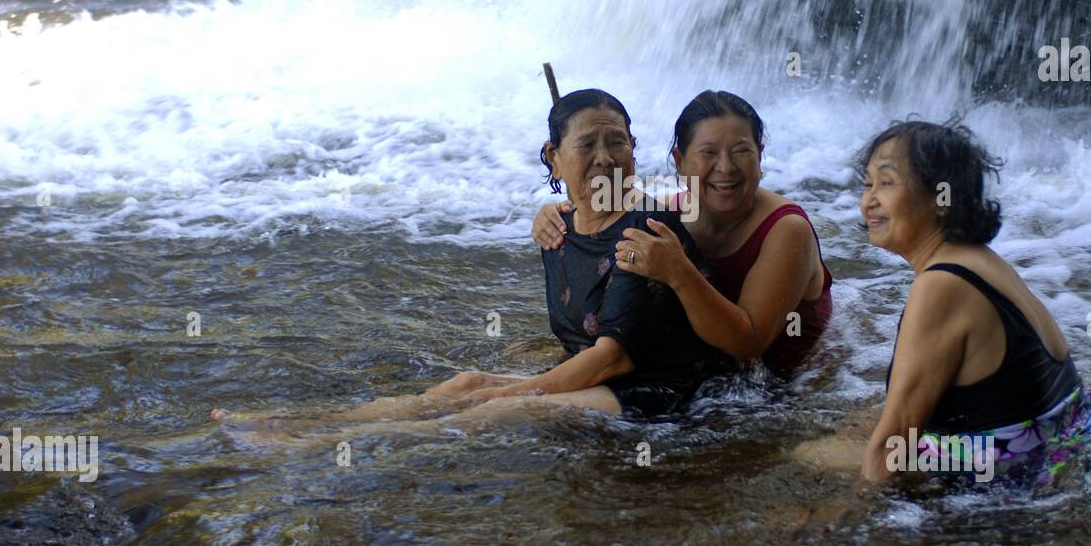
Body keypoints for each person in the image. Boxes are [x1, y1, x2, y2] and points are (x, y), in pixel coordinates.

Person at [212, 88, 723, 433]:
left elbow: (616, 356)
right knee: (466, 384)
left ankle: (308, 449)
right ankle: (307, 421)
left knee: (496, 410)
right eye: (587, 144)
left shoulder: (649, 229)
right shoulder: (558, 227)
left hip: (663, 389)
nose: (607, 159)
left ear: (635, 148)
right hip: (599, 376)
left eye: (618, 143)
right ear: (554, 157)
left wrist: (516, 390)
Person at [800, 120, 1091, 486]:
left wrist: (846, 528)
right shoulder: (981, 259)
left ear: (941, 197)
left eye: (886, 183)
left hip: (1012, 479)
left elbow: (892, 449)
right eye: (867, 184)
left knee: (808, 457)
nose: (868, 200)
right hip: (1066, 441)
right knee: (848, 429)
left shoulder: (942, 284)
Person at [533, 90, 832, 375]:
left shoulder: (787, 230)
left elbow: (749, 345)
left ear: (760, 155)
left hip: (785, 388)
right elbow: (604, 201)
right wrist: (554, 213)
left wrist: (680, 273)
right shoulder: (668, 213)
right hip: (707, 379)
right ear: (680, 162)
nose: (726, 167)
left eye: (741, 151)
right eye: (708, 153)